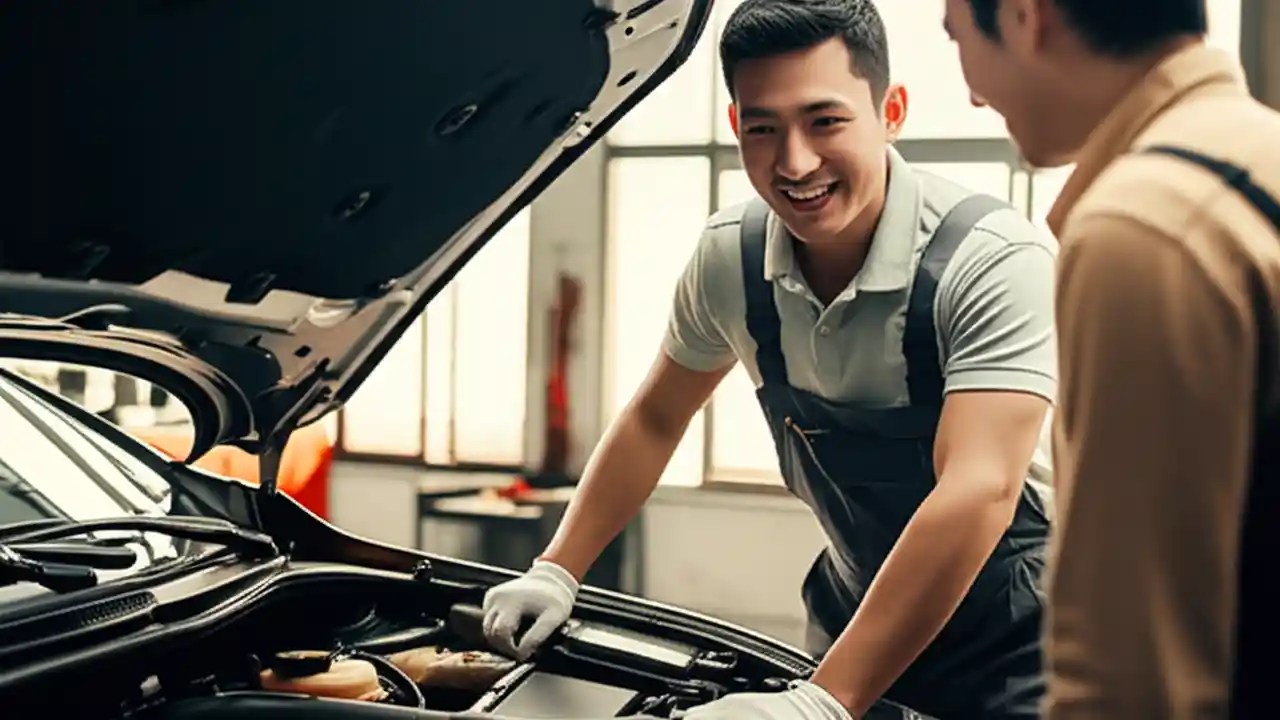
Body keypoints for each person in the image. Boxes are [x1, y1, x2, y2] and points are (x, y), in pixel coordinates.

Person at [483, 1, 1060, 717]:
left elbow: (978, 489)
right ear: (736, 128)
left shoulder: (993, 263)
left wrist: (825, 700)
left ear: (893, 111)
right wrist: (557, 569)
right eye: (764, 127)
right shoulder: (733, 258)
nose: (795, 162)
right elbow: (657, 419)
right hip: (857, 613)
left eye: (826, 121)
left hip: (1025, 642)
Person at [942, 0, 1280, 717]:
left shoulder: (1145, 229)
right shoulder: (1257, 156)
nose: (971, 92)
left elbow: (1132, 678)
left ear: (1026, 17)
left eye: (958, 38)